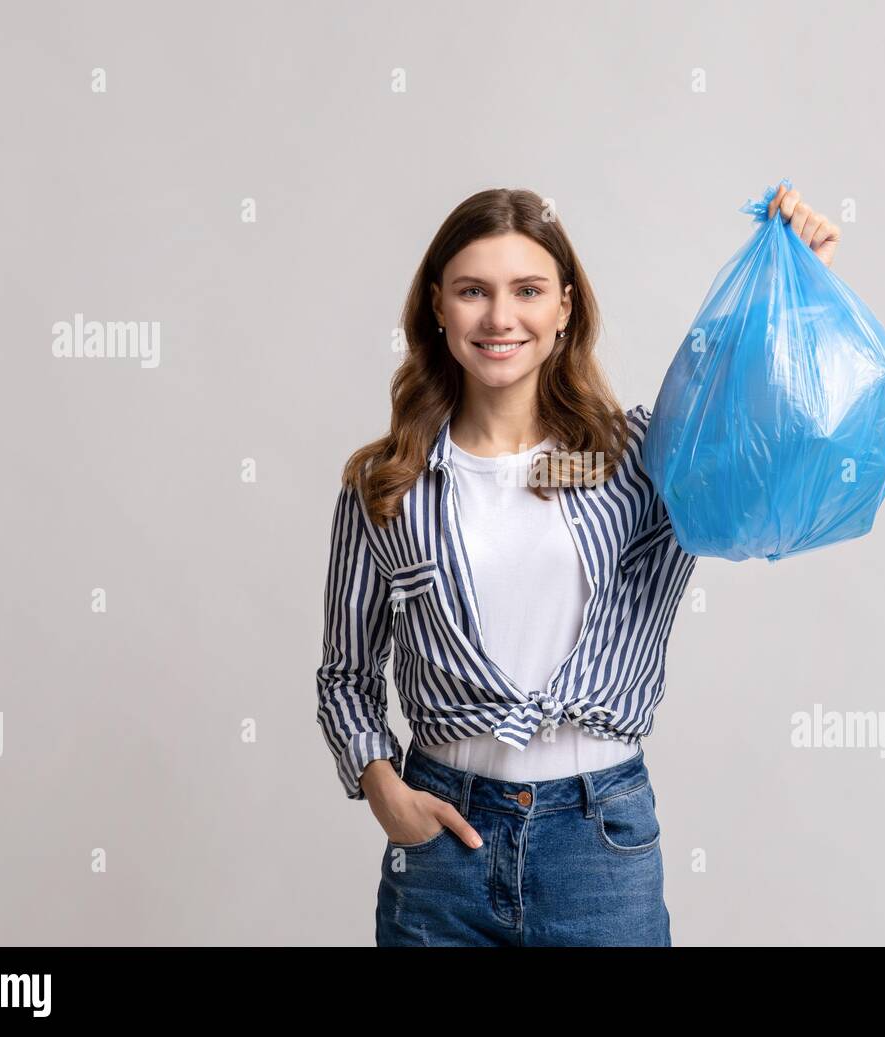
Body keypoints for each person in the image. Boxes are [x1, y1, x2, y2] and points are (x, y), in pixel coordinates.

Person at [317, 182, 840, 946]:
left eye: (527, 290)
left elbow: (772, 453)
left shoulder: (638, 458)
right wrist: (382, 787)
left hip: (598, 845)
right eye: (473, 291)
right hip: (442, 847)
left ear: (564, 306)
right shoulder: (387, 485)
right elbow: (346, 677)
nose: (501, 317)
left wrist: (799, 294)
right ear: (438, 306)